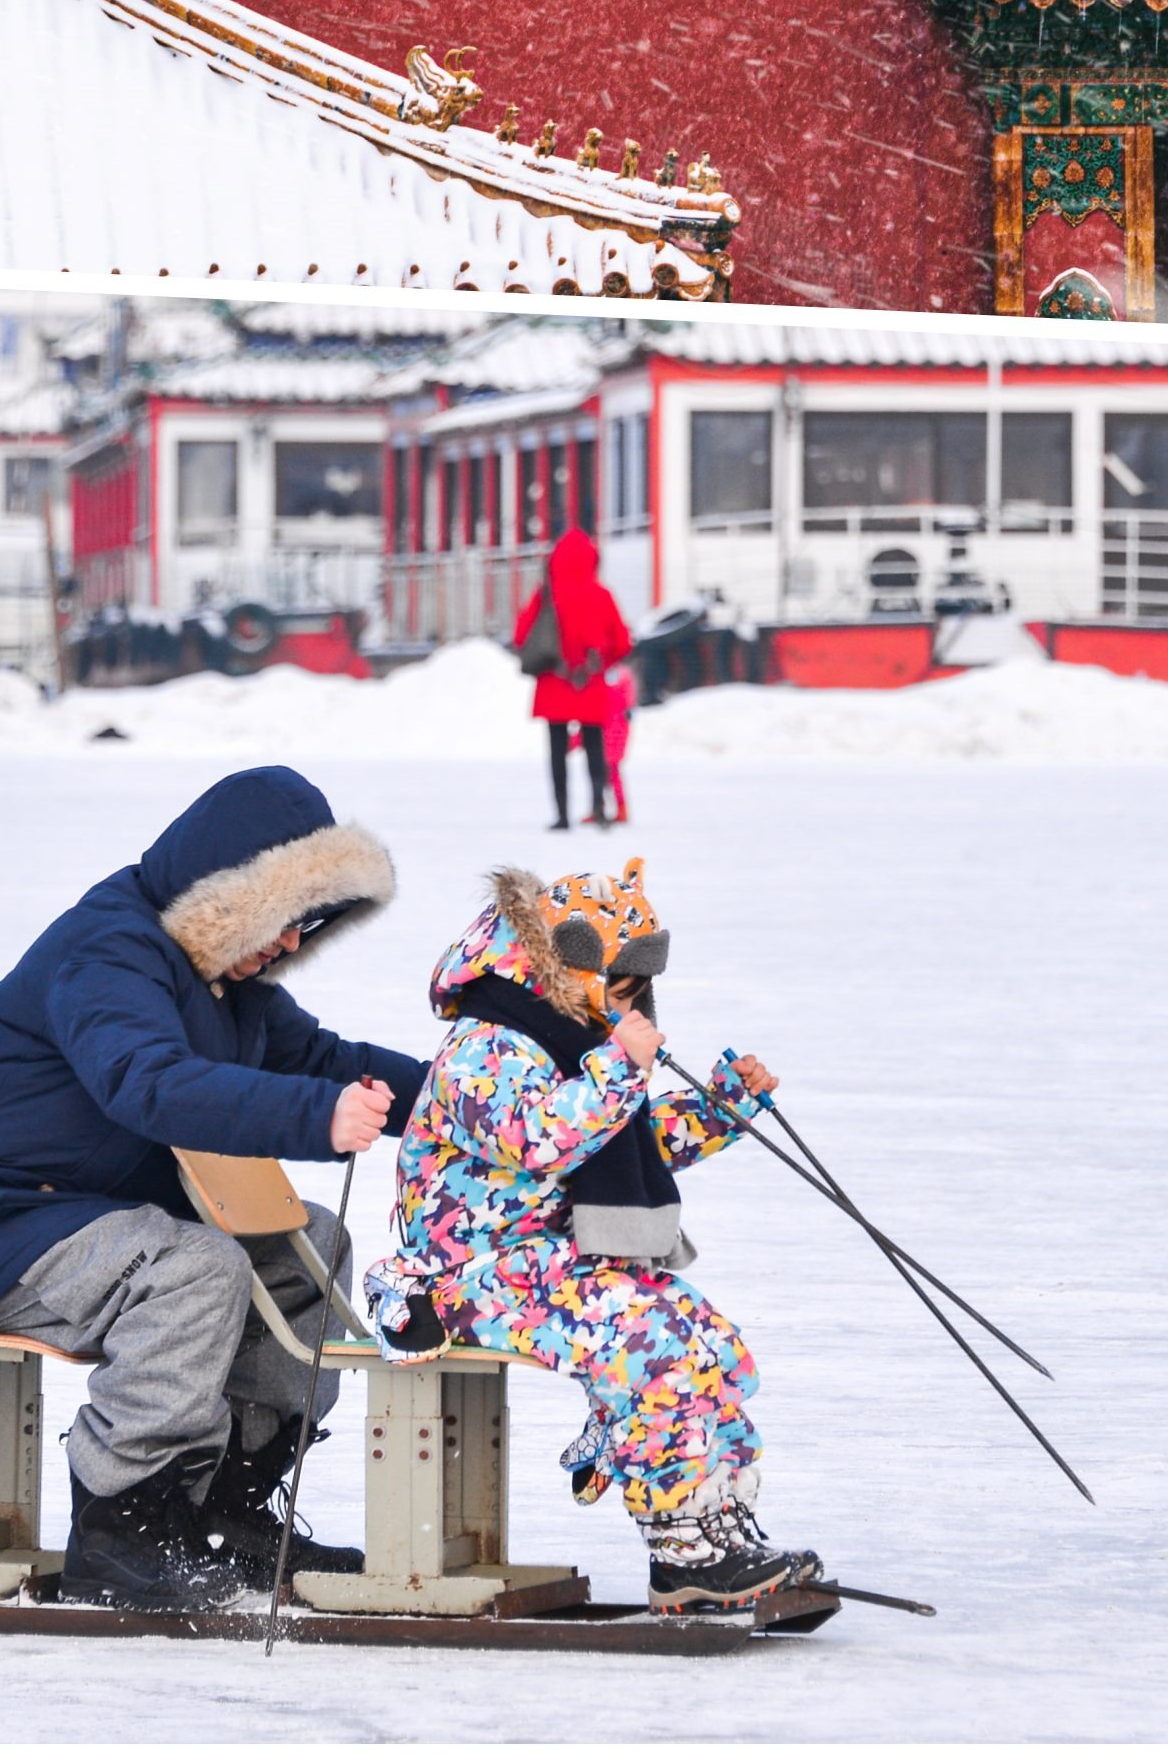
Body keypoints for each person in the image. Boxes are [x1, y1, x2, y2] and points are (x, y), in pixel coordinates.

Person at [0, 766, 425, 1610]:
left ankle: (228, 1506)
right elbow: (146, 1081)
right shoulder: (108, 951)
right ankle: (122, 1528)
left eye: (304, 926)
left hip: (81, 1215)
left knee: (308, 1247)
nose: (288, 945)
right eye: (279, 921)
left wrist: (466, 1102)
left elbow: (322, 1060)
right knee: (196, 1267)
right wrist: (317, 1116)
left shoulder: (226, 982)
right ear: (227, 895)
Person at [361, 859, 817, 1616]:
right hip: (472, 1274)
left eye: (634, 989)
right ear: (548, 963)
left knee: (702, 1337)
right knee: (650, 1342)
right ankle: (681, 1548)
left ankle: (718, 1514)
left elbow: (620, 1141)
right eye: (609, 982)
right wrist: (618, 1069)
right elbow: (543, 1138)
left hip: (552, 1261)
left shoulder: (573, 1046)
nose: (620, 1001)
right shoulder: (488, 1048)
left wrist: (724, 1105)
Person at [515, 527, 631, 833]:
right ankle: (597, 806)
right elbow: (622, 641)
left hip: (554, 680)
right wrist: (600, 662)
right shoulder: (602, 594)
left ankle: (562, 814)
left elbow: (522, 634)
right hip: (590, 682)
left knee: (557, 750)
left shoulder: (547, 594)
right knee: (595, 746)